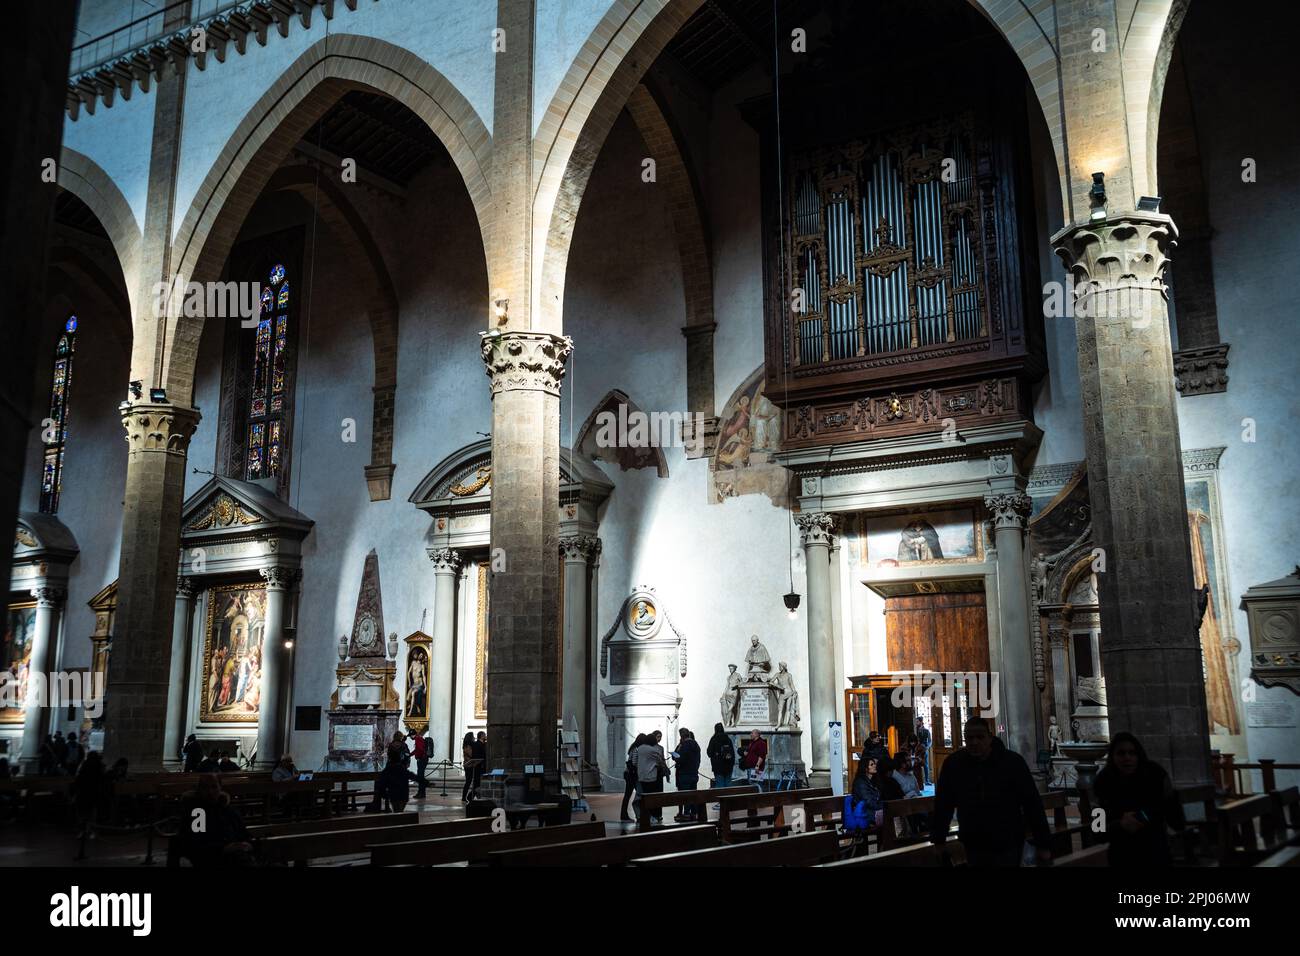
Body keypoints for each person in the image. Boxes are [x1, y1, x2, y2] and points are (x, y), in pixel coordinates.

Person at [931, 718, 1051, 867]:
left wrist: (1043, 843)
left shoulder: (1012, 762)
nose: (974, 742)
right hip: (973, 841)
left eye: (980, 737)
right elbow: (943, 804)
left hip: (1008, 840)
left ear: (990, 737)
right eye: (969, 738)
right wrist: (939, 839)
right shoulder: (954, 764)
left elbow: (1032, 803)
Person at [1094, 732, 1185, 866]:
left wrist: (1140, 817)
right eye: (1121, 753)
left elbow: (1166, 810)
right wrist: (1120, 825)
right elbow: (1097, 828)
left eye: (1132, 753)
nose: (1127, 758)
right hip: (1121, 853)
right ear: (1112, 756)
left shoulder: (1154, 775)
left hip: (1154, 849)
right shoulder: (1103, 781)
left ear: (1139, 755)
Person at [173, 774, 252, 867]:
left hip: (234, 853)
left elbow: (242, 832)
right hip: (210, 857)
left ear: (220, 788)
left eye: (214, 787)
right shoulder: (198, 813)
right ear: (199, 789)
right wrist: (224, 848)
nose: (210, 791)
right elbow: (197, 844)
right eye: (205, 787)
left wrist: (246, 843)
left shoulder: (228, 809)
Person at [634, 732, 669, 823]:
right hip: (651, 777)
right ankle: (652, 816)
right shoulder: (654, 750)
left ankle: (645, 815)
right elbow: (659, 762)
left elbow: (635, 762)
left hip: (641, 777)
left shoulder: (640, 748)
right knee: (651, 798)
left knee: (643, 797)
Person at [671, 728, 701, 821]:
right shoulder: (696, 744)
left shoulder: (684, 745)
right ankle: (694, 813)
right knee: (693, 794)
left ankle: (686, 814)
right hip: (694, 772)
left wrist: (679, 746)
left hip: (684, 773)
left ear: (681, 736)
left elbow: (677, 756)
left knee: (685, 795)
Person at [850, 756, 885, 830]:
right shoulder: (860, 783)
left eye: (874, 764)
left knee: (894, 813)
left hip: (873, 811)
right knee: (891, 815)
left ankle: (895, 838)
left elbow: (878, 799)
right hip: (865, 813)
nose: (875, 766)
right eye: (871, 765)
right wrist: (885, 806)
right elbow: (869, 802)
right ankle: (895, 838)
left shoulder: (872, 781)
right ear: (865, 768)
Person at [621, 733, 649, 821]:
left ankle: (632, 815)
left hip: (630, 774)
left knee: (630, 795)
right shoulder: (636, 749)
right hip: (632, 775)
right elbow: (634, 763)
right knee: (632, 795)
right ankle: (627, 815)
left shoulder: (633, 748)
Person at [378, 739, 410, 813]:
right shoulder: (403, 745)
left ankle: (396, 811)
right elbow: (407, 755)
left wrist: (382, 792)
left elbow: (382, 780)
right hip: (402, 789)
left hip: (393, 787)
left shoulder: (391, 746)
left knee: (394, 799)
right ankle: (399, 812)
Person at [706, 723, 735, 789]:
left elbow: (709, 753)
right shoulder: (728, 739)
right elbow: (733, 753)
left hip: (718, 767)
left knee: (719, 786)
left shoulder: (714, 739)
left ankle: (721, 799)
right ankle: (728, 799)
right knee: (728, 786)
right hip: (728, 767)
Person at [461, 732, 479, 803]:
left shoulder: (468, 745)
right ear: (470, 738)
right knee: (468, 782)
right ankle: (464, 797)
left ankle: (466, 796)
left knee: (469, 782)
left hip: (469, 765)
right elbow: (471, 754)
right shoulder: (468, 746)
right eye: (473, 737)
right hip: (468, 765)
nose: (474, 738)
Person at [409, 731, 428, 798]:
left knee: (420, 777)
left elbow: (420, 750)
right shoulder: (420, 738)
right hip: (423, 759)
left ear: (413, 735)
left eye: (410, 736)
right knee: (421, 777)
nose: (410, 737)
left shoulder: (418, 739)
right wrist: (410, 755)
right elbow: (417, 750)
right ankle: (422, 793)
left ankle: (421, 793)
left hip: (422, 760)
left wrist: (419, 757)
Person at [914, 717, 932, 785]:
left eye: (917, 721)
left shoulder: (926, 731)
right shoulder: (915, 730)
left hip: (924, 749)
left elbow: (930, 741)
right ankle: (918, 781)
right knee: (916, 764)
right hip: (917, 749)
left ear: (921, 722)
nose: (916, 723)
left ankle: (927, 781)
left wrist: (927, 747)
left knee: (925, 765)